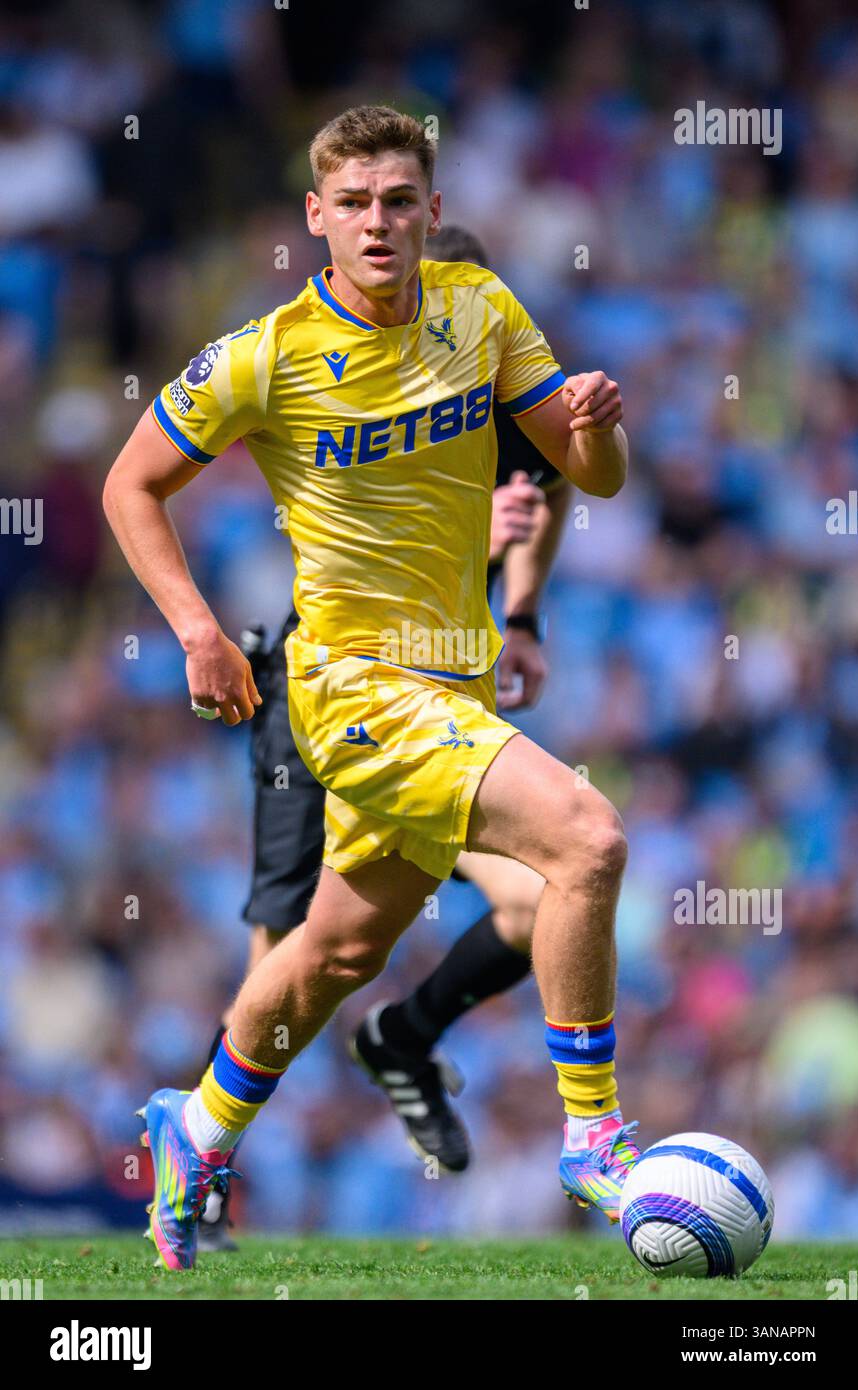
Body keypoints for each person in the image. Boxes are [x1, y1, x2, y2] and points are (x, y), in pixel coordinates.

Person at [103, 105, 636, 1272]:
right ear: (317, 218)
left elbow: (582, 472)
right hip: (349, 692)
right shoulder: (265, 355)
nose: (378, 221)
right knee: (586, 840)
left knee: (334, 955)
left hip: (451, 692)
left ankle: (191, 1131)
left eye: (399, 200)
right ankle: (591, 1136)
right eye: (353, 203)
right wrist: (197, 631)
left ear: (433, 211)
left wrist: (595, 429)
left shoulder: (481, 312)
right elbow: (130, 483)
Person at [198, 223, 572, 1251]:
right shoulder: (360, 380)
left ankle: (404, 1037)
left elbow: (553, 485)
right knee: (288, 957)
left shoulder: (505, 388)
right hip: (318, 693)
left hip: (439, 695)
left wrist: (525, 613)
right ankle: (204, 1168)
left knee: (542, 896)